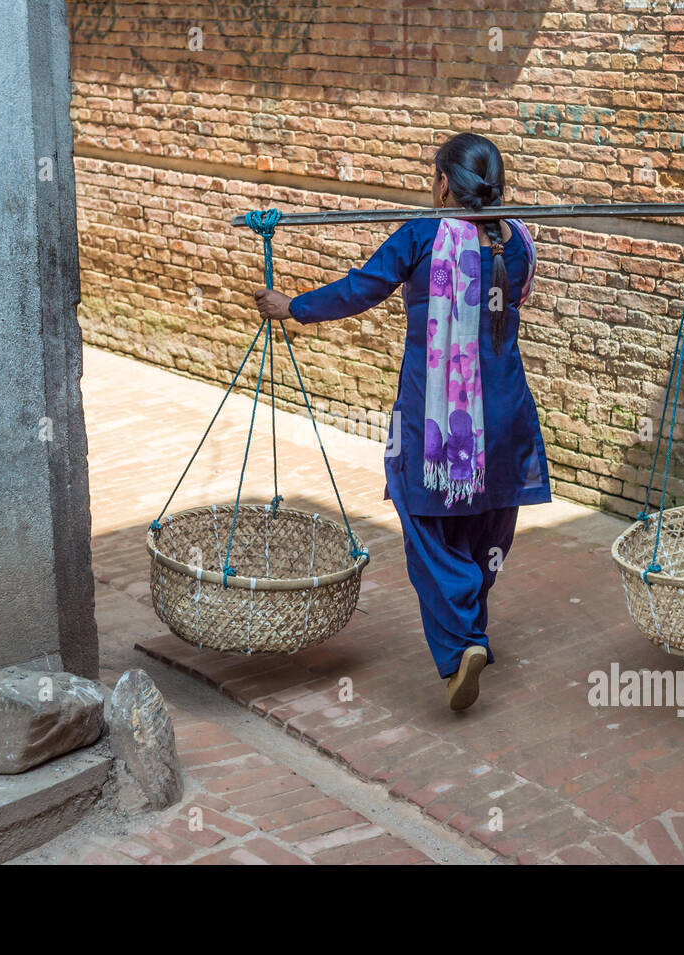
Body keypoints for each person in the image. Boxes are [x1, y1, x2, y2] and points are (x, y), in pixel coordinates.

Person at [253, 132, 552, 711]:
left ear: (443, 183)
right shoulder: (520, 241)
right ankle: (473, 629)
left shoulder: (420, 235)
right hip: (505, 418)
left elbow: (361, 291)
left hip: (433, 422)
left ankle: (462, 638)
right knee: (484, 523)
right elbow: (513, 296)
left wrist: (292, 306)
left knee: (423, 516)